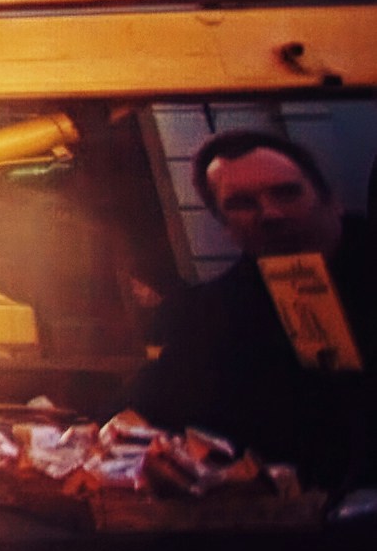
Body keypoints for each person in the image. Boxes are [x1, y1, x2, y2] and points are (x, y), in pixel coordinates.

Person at [131, 131, 376, 498]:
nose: (271, 214)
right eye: (242, 203)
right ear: (226, 226)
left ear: (331, 200)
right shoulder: (210, 314)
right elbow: (149, 408)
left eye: (286, 192)